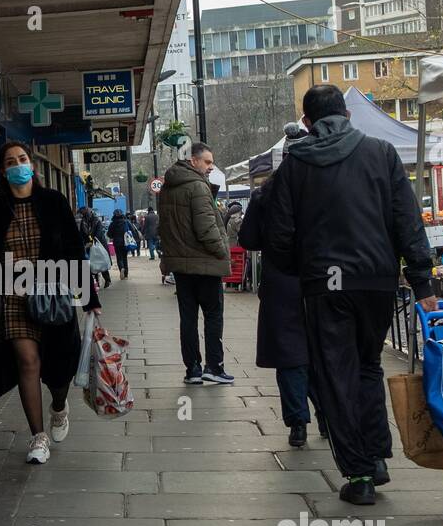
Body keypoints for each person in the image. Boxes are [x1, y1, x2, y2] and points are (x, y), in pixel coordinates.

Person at [264, 84, 437, 505]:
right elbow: (407, 221)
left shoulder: (294, 166)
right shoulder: (381, 153)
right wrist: (422, 282)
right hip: (376, 281)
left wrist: (301, 271)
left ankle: (359, 473)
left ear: (307, 122)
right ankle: (377, 455)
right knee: (367, 366)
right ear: (347, 113)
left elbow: (279, 236)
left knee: (334, 374)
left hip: (326, 284)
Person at [0, 141, 101, 465]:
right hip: (14, 295)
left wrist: (89, 297)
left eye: (22, 159)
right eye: (10, 161)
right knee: (27, 362)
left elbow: (74, 249)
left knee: (60, 371)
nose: (17, 164)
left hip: (54, 294)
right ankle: (38, 436)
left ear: (31, 165)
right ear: (3, 171)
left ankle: (58, 407)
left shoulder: (53, 202)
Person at [240, 133, 321, 448]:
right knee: (322, 349)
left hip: (280, 281)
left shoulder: (266, 192)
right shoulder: (323, 189)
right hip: (322, 279)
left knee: (290, 356)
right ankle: (328, 416)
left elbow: (248, 239)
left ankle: (297, 423)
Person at [158, 141, 233, 385]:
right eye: (207, 162)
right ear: (193, 161)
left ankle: (192, 369)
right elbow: (206, 228)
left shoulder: (169, 188)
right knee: (213, 315)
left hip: (181, 266)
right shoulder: (198, 187)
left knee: (187, 318)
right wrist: (222, 251)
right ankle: (214, 366)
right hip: (205, 263)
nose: (211, 167)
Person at [78, 206, 112, 289]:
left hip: (98, 243)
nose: (83, 215)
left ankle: (107, 280)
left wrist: (92, 241)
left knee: (101, 261)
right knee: (93, 263)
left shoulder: (96, 221)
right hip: (89, 244)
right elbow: (82, 233)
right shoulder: (83, 222)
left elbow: (99, 233)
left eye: (83, 213)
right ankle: (96, 282)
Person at [107, 209, 141, 279]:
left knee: (119, 258)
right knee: (125, 258)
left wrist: (113, 236)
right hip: (126, 242)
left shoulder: (113, 223)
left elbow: (109, 234)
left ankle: (121, 268)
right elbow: (133, 230)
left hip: (117, 243)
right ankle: (126, 275)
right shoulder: (126, 222)